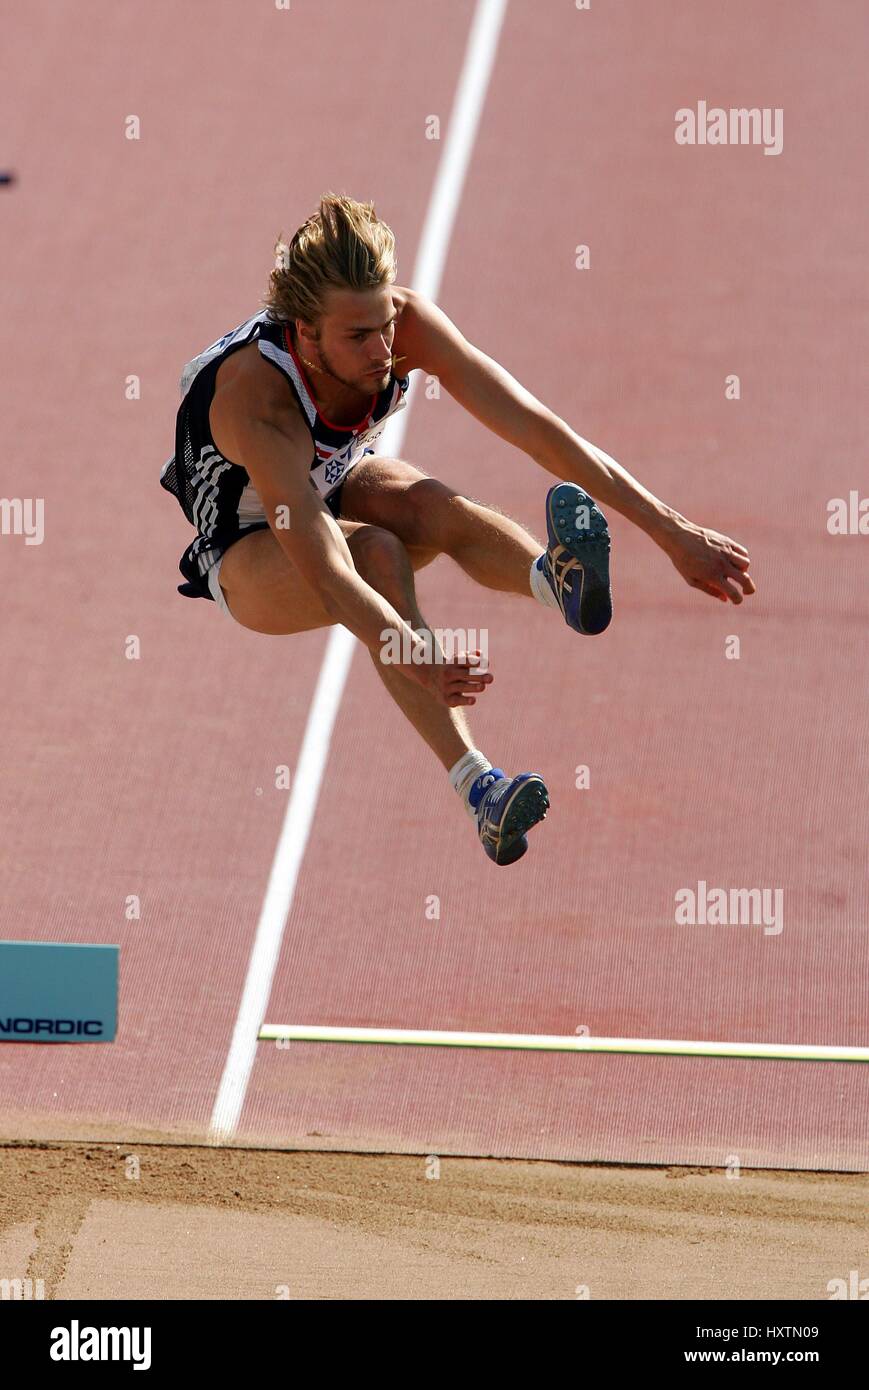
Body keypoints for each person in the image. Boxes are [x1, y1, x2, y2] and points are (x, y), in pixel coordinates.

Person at [160, 193, 755, 866]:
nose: (384, 349)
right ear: (303, 332)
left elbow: (536, 428)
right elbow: (327, 570)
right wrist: (406, 646)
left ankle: (555, 581)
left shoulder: (402, 325)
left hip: (322, 481)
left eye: (385, 324)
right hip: (245, 551)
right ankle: (480, 790)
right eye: (357, 336)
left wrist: (670, 532)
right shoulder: (256, 401)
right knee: (377, 553)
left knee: (430, 505)